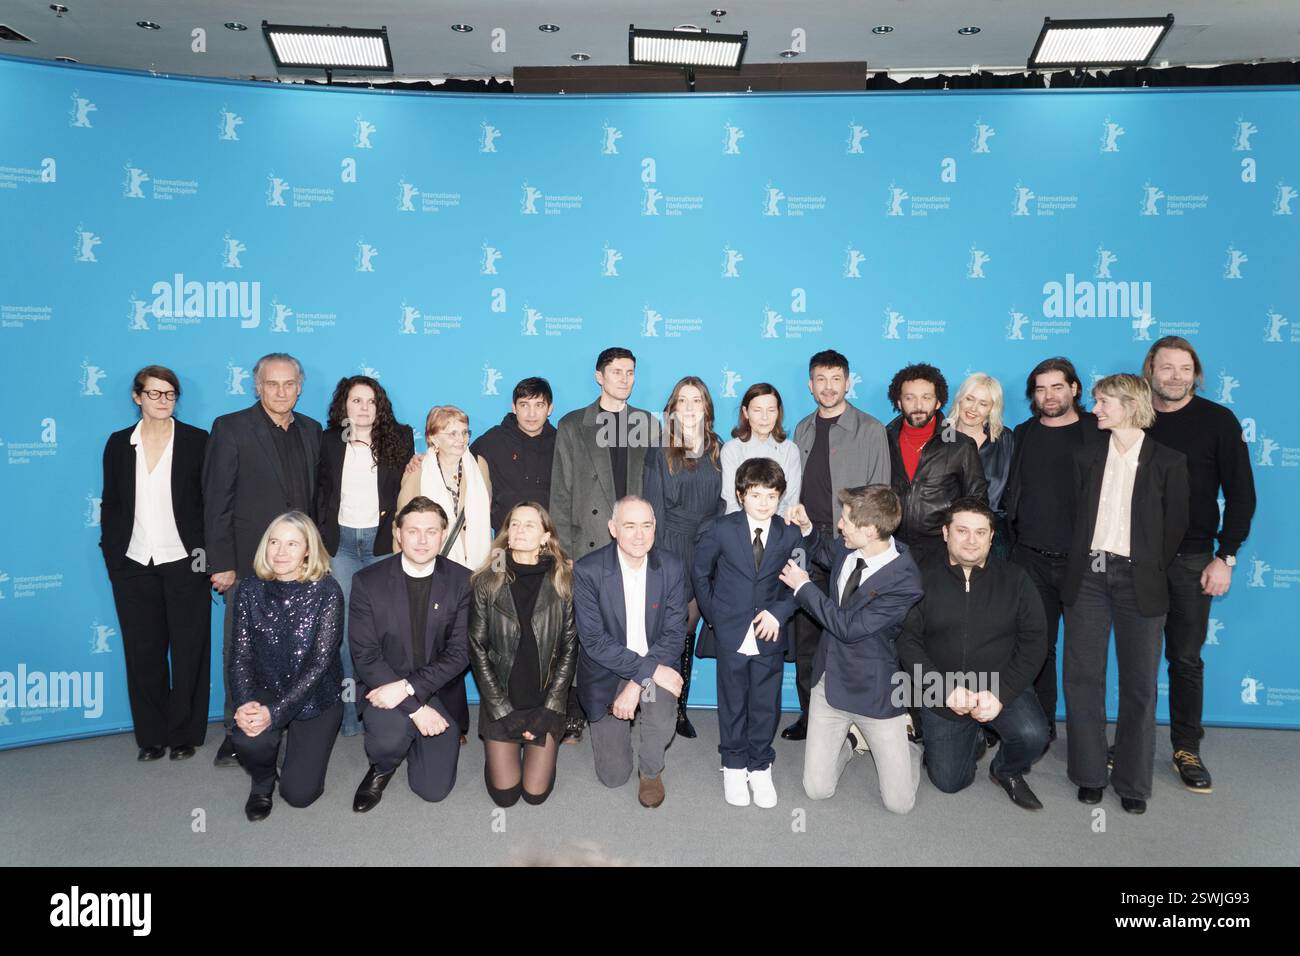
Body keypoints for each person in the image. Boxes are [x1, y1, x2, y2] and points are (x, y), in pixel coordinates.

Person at [1062, 374, 1189, 815]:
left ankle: (1133, 781)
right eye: (1096, 402)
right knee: (1082, 677)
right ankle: (1089, 774)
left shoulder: (1168, 462)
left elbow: (1174, 529)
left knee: (1139, 685)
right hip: (1090, 577)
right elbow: (1074, 518)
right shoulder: (1085, 457)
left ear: (1130, 404)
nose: (1095, 409)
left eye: (1102, 402)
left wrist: (1146, 567)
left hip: (1141, 581)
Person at [1144, 337, 1256, 793]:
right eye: (1166, 367)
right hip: (1137, 560)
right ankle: (1131, 743)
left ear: (1196, 373)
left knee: (1185, 659)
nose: (1175, 376)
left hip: (1194, 560)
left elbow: (1242, 494)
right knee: (1139, 658)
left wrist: (1225, 556)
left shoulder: (1218, 422)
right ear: (1150, 369)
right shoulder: (1134, 417)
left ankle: (1186, 747)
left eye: (1184, 368)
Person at [204, 352, 322, 767]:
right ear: (257, 386)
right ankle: (238, 731)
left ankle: (287, 718)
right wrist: (220, 562)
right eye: (272, 384)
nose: (281, 391)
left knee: (298, 649)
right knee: (241, 650)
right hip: (248, 563)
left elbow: (315, 500)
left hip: (300, 565)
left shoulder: (312, 430)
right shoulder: (231, 428)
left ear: (300, 387)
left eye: (289, 384)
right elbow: (216, 500)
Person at [779, 486, 924, 815]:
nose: (839, 525)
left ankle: (908, 746)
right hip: (829, 685)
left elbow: (847, 628)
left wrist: (803, 586)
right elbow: (825, 553)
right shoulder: (849, 549)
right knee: (817, 790)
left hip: (873, 692)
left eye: (845, 521)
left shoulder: (905, 582)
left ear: (871, 531)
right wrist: (807, 530)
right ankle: (848, 742)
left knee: (900, 804)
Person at [897, 498, 1049, 810]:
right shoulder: (919, 579)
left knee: (1034, 734)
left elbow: (1035, 642)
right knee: (949, 783)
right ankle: (975, 738)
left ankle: (1006, 770)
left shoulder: (1016, 580)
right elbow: (907, 643)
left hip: (999, 683)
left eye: (981, 532)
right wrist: (943, 690)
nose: (971, 540)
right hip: (944, 689)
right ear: (945, 533)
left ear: (992, 536)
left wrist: (1001, 694)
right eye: (962, 531)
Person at [99, 366, 210, 762]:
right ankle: (151, 736)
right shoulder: (117, 444)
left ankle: (184, 734)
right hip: (133, 561)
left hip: (186, 560)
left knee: (189, 650)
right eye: (154, 394)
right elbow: (110, 502)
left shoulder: (198, 441)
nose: (162, 401)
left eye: (169, 394)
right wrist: (111, 554)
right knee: (143, 652)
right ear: (137, 397)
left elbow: (209, 503)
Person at [550, 347, 659, 742]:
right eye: (616, 372)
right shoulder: (573, 424)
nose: (624, 379)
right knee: (583, 632)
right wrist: (565, 554)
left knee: (631, 624)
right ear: (599, 376)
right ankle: (579, 709)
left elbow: (656, 486)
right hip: (588, 547)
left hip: (634, 543)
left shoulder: (646, 423)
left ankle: (636, 700)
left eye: (631, 372)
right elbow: (560, 494)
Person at [785, 349, 890, 741]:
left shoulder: (871, 429)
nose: (828, 387)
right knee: (808, 636)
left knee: (855, 634)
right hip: (808, 542)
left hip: (853, 544)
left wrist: (868, 545)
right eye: (820, 379)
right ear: (810, 385)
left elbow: (882, 494)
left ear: (848, 382)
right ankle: (810, 718)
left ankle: (857, 720)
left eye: (835, 379)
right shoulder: (802, 429)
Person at [1002, 357, 1105, 747]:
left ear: (1075, 389)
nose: (1049, 395)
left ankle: (1086, 744)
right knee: (1036, 650)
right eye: (1041, 389)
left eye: (1057, 387)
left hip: (1086, 563)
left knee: (1084, 659)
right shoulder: (1024, 432)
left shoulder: (1098, 429)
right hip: (1030, 557)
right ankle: (1041, 728)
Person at [347, 497, 472, 812]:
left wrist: (408, 689)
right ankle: (382, 766)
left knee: (433, 790)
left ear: (443, 534)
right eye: (413, 531)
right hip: (384, 686)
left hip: (438, 692)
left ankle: (414, 739)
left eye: (431, 531)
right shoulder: (367, 582)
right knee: (388, 740)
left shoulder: (463, 581)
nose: (422, 539)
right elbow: (365, 655)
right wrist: (417, 711)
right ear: (397, 533)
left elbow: (460, 654)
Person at [692, 458, 802, 808]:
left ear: (781, 496)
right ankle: (734, 764)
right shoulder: (721, 529)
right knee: (733, 700)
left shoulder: (790, 533)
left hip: (770, 631)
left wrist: (780, 613)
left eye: (772, 495)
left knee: (766, 702)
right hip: (731, 630)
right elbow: (700, 574)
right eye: (756, 495)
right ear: (741, 495)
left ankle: (760, 764)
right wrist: (715, 617)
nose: (764, 502)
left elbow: (798, 584)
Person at [315, 375, 415, 736]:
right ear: (344, 405)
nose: (363, 408)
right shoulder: (327, 441)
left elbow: (407, 487)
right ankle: (348, 716)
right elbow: (319, 494)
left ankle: (388, 711)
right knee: (343, 635)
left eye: (371, 402)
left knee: (388, 632)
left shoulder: (399, 438)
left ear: (380, 407)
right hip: (340, 546)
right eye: (356, 401)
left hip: (382, 545)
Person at [572, 497, 686, 809]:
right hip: (606, 671)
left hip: (655, 666)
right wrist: (646, 673)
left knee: (661, 716)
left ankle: (651, 770)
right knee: (613, 776)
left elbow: (675, 634)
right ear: (613, 529)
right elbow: (594, 642)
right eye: (629, 526)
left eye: (646, 526)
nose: (639, 535)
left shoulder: (672, 566)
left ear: (655, 528)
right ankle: (618, 748)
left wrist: (639, 682)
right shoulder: (588, 570)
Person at [228, 512, 343, 822]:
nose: (280, 552)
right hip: (266, 687)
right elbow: (240, 655)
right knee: (245, 737)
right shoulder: (249, 590)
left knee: (299, 795)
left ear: (308, 550)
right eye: (274, 542)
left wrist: (275, 713)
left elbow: (319, 665)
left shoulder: (328, 591)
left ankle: (287, 753)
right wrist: (246, 704)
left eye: (292, 544)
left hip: (316, 697)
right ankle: (263, 781)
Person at [468, 502, 578, 807]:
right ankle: (501, 745)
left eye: (529, 525)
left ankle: (540, 739)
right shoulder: (486, 581)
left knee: (535, 795)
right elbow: (476, 648)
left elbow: (570, 649)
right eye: (514, 524)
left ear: (546, 536)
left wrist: (550, 708)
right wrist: (501, 709)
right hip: (501, 698)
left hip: (544, 699)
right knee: (505, 797)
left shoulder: (563, 581)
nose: (519, 530)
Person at [642, 375, 724, 739]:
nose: (690, 408)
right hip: (669, 547)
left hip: (706, 548)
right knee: (666, 631)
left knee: (687, 632)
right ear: (672, 409)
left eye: (697, 400)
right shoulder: (659, 450)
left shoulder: (718, 448)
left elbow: (726, 503)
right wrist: (656, 559)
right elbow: (652, 509)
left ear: (706, 408)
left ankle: (679, 709)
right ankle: (653, 704)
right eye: (683, 401)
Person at [884, 362, 988, 567]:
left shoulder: (960, 445)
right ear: (898, 402)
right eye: (909, 397)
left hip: (941, 551)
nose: (918, 405)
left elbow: (977, 502)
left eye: (926, 397)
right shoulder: (882, 439)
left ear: (938, 402)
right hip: (891, 548)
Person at [397, 405, 492, 572]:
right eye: (452, 433)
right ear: (434, 438)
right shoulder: (418, 470)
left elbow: (487, 508)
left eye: (464, 432)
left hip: (477, 566)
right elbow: (402, 520)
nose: (461, 439)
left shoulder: (479, 465)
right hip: (432, 566)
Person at [470, 377, 557, 533]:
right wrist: (423, 460)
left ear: (549, 409)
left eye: (539, 405)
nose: (531, 413)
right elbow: (456, 461)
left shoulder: (561, 443)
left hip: (550, 539)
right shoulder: (493, 440)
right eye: (524, 405)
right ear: (514, 408)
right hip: (505, 539)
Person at [949, 373, 1014, 558]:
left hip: (994, 537)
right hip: (947, 534)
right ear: (960, 399)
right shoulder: (941, 437)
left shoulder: (1005, 440)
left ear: (992, 409)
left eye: (983, 403)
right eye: (970, 399)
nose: (973, 408)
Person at [719, 383, 802, 516]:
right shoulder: (731, 450)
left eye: (771, 410)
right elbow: (731, 502)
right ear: (746, 412)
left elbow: (790, 501)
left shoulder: (790, 450)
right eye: (757, 410)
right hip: (740, 530)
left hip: (779, 528)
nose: (765, 417)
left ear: (778, 412)